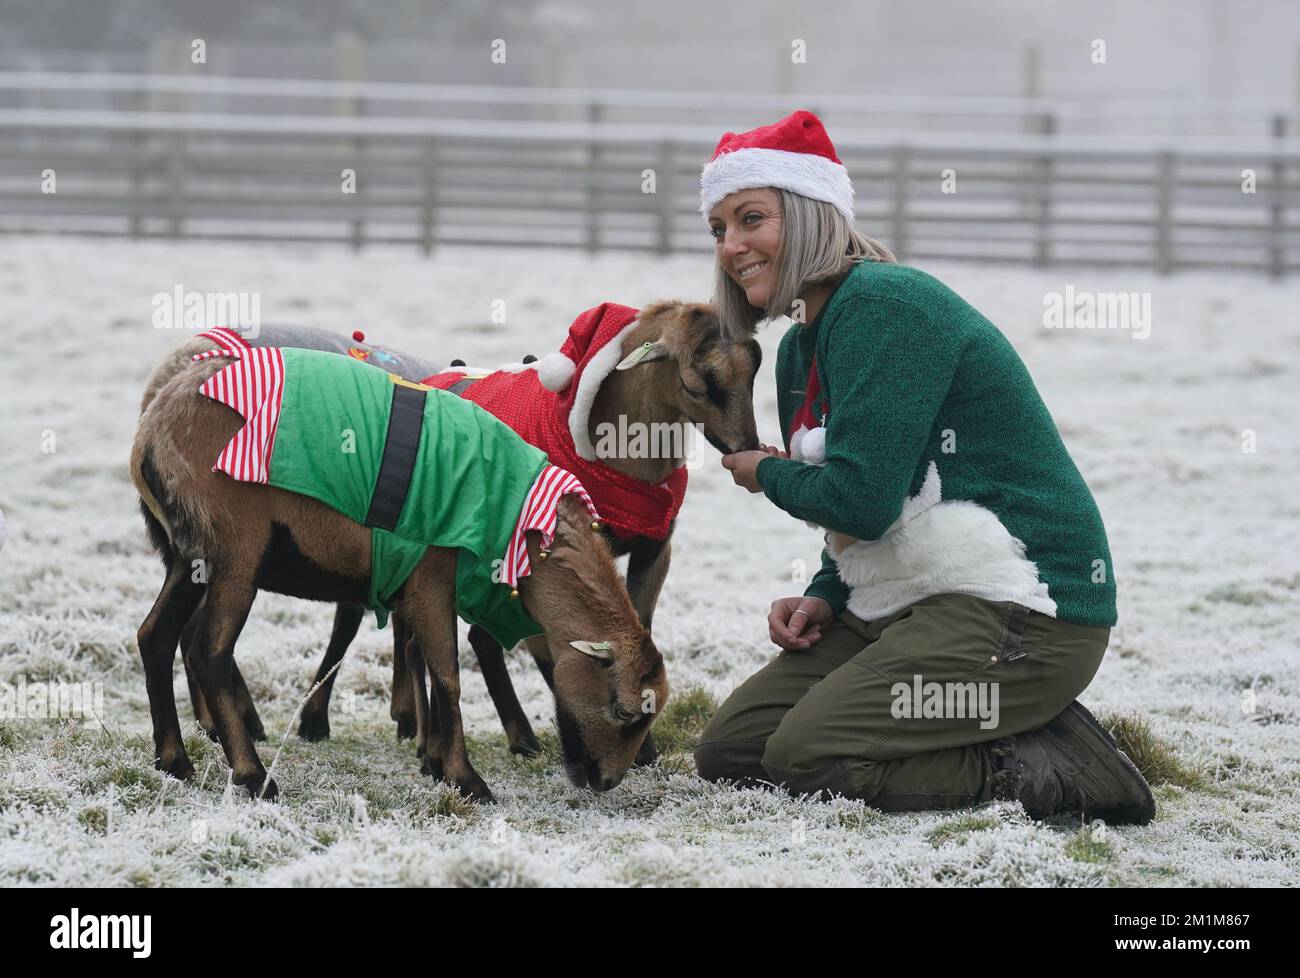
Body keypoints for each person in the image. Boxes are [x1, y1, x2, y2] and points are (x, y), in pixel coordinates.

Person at [695, 110, 1154, 824]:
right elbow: (869, 503)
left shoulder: (887, 306)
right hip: (905, 598)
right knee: (732, 751)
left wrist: (765, 473)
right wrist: (826, 593)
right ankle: (971, 716)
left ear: (814, 214)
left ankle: (1062, 766)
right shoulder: (799, 349)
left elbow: (863, 498)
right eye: (719, 228)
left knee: (805, 756)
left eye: (751, 218)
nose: (732, 245)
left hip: (1020, 608)